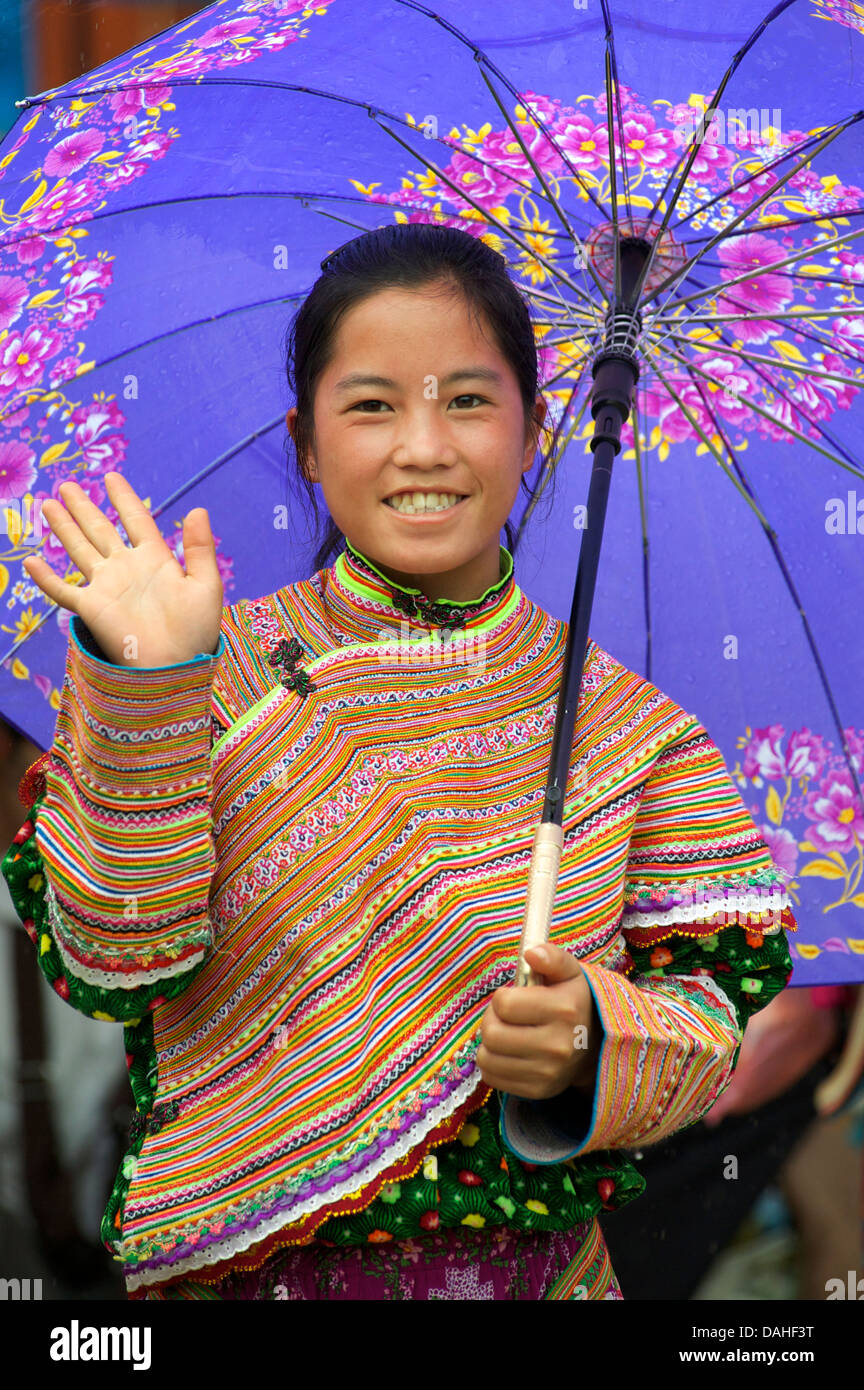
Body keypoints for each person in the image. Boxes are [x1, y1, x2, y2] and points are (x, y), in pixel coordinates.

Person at [1, 222, 795, 1301]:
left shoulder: (628, 730)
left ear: (535, 430)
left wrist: (590, 1041)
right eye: (372, 404)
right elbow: (111, 959)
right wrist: (145, 683)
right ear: (309, 441)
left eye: (468, 399)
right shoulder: (210, 675)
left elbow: (710, 1022)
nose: (424, 446)